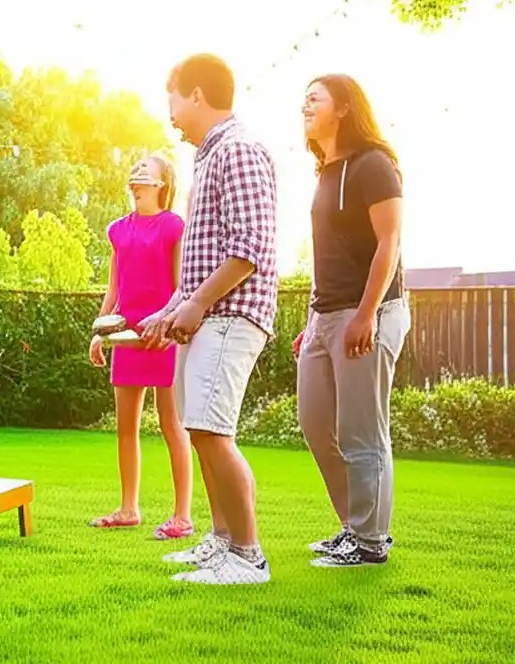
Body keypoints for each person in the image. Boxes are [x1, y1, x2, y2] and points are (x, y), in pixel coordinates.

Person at [141, 53, 279, 585]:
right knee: (199, 430)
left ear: (196, 94)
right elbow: (201, 263)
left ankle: (248, 555)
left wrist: (196, 306)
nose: (171, 113)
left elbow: (249, 248)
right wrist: (171, 310)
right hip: (205, 314)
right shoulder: (210, 157)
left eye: (173, 99)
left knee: (212, 431)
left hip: (229, 314)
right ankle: (222, 542)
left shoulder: (240, 150)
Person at [295, 74, 409, 567]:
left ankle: (370, 542)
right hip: (324, 316)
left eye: (314, 97)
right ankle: (351, 527)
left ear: (343, 107)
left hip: (370, 313)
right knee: (316, 423)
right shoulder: (325, 173)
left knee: (363, 432)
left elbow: (390, 243)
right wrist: (313, 320)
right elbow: (330, 257)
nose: (305, 104)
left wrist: (365, 313)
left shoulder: (374, 166)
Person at [87, 154, 193, 539]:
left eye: (144, 173)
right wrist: (99, 332)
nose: (136, 178)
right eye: (134, 173)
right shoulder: (118, 230)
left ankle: (182, 516)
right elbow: (114, 290)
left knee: (172, 425)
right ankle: (128, 509)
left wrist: (165, 321)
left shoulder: (173, 227)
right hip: (128, 336)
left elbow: (182, 285)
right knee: (125, 428)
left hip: (163, 334)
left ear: (162, 184)